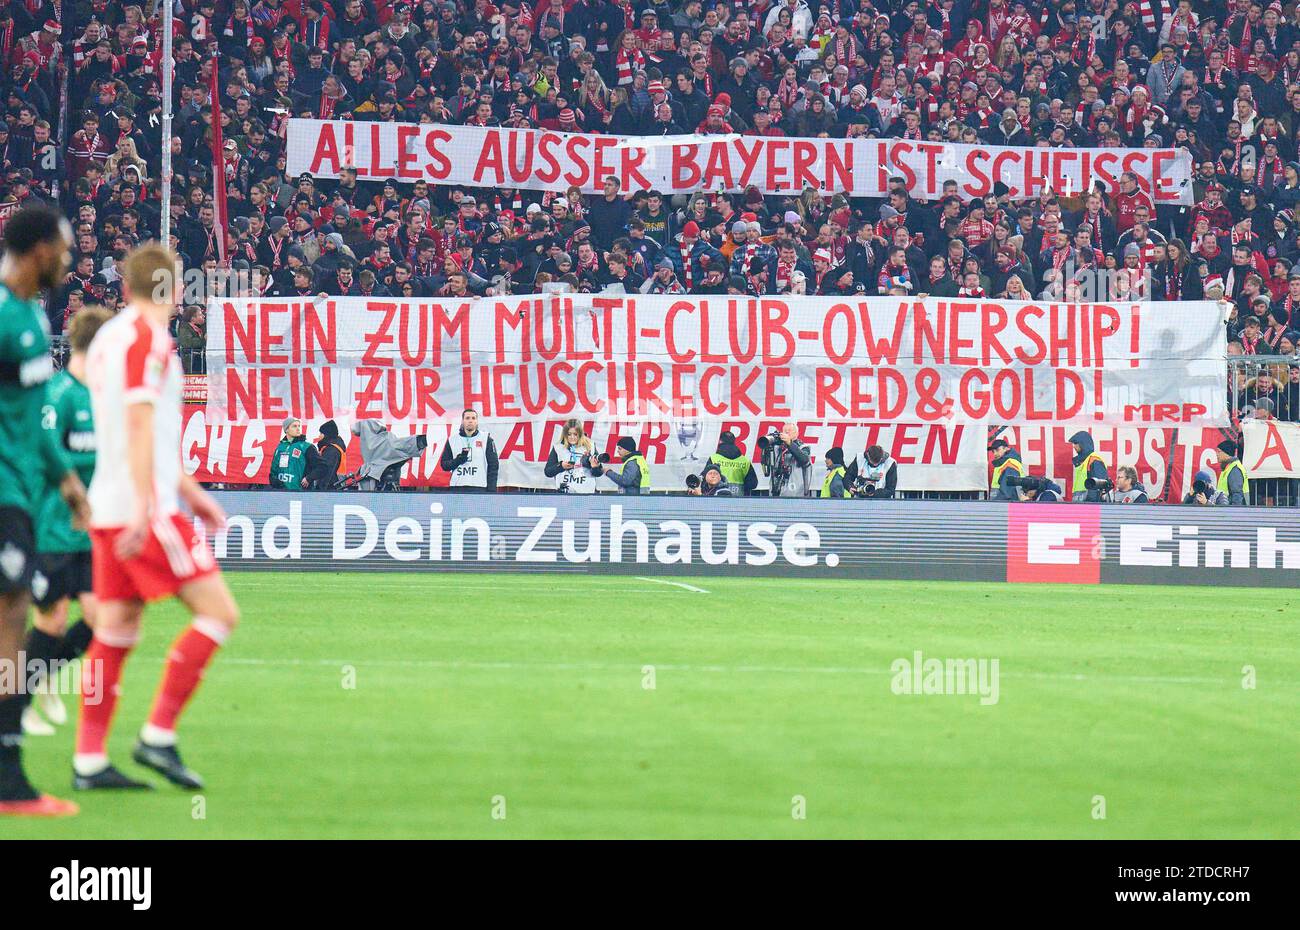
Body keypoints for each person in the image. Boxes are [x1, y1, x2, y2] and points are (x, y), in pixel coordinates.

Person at [77, 242, 239, 792]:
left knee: (116, 631)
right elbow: (142, 426)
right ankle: (158, 735)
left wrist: (191, 492)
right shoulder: (149, 339)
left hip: (109, 502)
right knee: (218, 614)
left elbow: (132, 431)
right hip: (140, 506)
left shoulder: (106, 340)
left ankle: (89, 760)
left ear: (126, 288)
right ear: (172, 290)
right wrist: (153, 506)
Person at [0, 207, 88, 817]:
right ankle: (9, 776)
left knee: (12, 625)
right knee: (10, 627)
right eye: (64, 247)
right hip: (4, 493)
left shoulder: (32, 315)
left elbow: (30, 425)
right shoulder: (6, 316)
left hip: (25, 494)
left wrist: (68, 485)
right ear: (38, 250)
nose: (71, 258)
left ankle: (10, 771)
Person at [22, 306, 112, 737]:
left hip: (89, 533)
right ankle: (19, 700)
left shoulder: (101, 397)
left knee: (98, 620)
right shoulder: (57, 395)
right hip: (54, 529)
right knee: (52, 621)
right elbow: (43, 460)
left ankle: (38, 683)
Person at [439, 408, 499, 491]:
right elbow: (444, 465)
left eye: (473, 418)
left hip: (479, 487)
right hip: (457, 487)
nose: (470, 421)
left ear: (477, 421)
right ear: (462, 421)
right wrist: (457, 460)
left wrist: (491, 490)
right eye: (467, 418)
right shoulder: (452, 440)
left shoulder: (486, 439)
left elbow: (493, 466)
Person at [544, 419, 600, 494]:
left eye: (575, 434)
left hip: (586, 494)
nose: (572, 437)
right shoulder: (558, 447)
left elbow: (599, 473)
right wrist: (561, 466)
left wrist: (594, 467)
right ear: (565, 434)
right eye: (569, 434)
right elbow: (548, 472)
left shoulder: (590, 445)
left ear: (580, 434)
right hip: (564, 494)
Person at [757, 423, 812, 497]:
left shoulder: (803, 447)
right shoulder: (778, 447)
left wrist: (790, 443)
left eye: (789, 430)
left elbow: (804, 460)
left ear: (796, 433)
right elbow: (767, 464)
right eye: (784, 431)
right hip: (777, 489)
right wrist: (768, 444)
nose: (786, 432)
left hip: (795, 492)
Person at [269, 417, 320, 490]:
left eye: (299, 426)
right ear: (286, 429)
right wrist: (274, 481)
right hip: (281, 492)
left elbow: (322, 466)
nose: (298, 428)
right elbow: (274, 469)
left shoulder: (307, 447)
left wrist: (308, 478)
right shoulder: (280, 447)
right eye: (294, 426)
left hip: (299, 492)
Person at [707, 430, 757, 496]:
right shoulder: (745, 461)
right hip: (739, 501)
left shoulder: (714, 459)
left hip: (717, 500)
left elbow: (706, 480)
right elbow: (753, 484)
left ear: (720, 441)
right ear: (734, 442)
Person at [1068, 431, 1109, 502]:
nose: (1073, 446)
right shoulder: (1084, 461)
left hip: (1089, 507)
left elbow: (1097, 487)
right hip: (1082, 506)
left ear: (1083, 443)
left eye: (1075, 443)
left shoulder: (1094, 460)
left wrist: (1090, 505)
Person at [308, 420, 348, 489]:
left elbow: (327, 472)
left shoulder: (331, 450)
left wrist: (320, 490)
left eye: (321, 433)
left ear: (326, 434)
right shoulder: (335, 447)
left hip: (331, 488)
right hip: (337, 485)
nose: (319, 436)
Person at [1215, 440, 1249, 505]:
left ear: (1227, 453)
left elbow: (1237, 495)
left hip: (1230, 512)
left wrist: (1234, 513)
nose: (1217, 454)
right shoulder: (1228, 468)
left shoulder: (1234, 469)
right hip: (1225, 510)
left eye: (1219, 451)